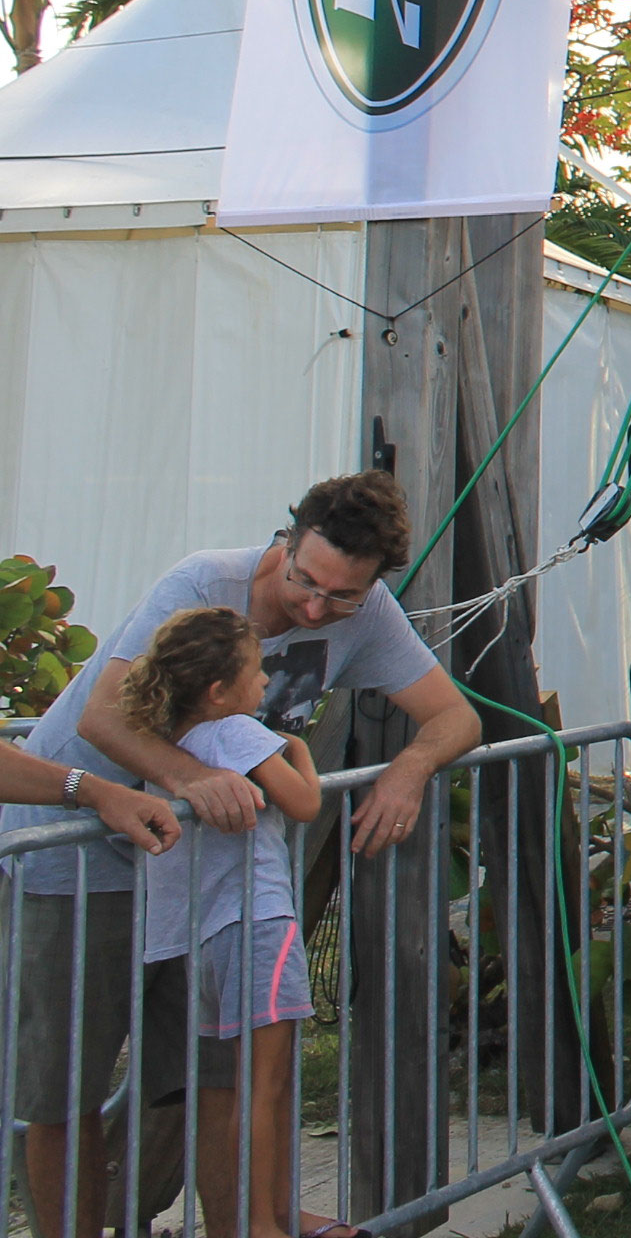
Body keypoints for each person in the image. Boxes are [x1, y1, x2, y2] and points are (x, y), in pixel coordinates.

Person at [4, 470, 480, 1238]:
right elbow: (101, 715)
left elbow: (453, 716)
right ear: (286, 541)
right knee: (68, 1086)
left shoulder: (369, 613)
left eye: (343, 598)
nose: (317, 608)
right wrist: (192, 778)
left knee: (218, 1076)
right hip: (79, 860)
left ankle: (248, 1225)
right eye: (307, 582)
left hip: (192, 877)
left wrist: (410, 771)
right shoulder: (203, 581)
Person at [122, 610, 318, 1238]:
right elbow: (304, 801)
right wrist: (301, 751)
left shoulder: (170, 745)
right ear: (218, 691)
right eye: (256, 672)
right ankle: (261, 1223)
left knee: (240, 1085)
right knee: (265, 1086)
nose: (263, 683)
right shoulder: (235, 731)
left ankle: (251, 1219)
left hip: (205, 940)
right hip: (261, 922)